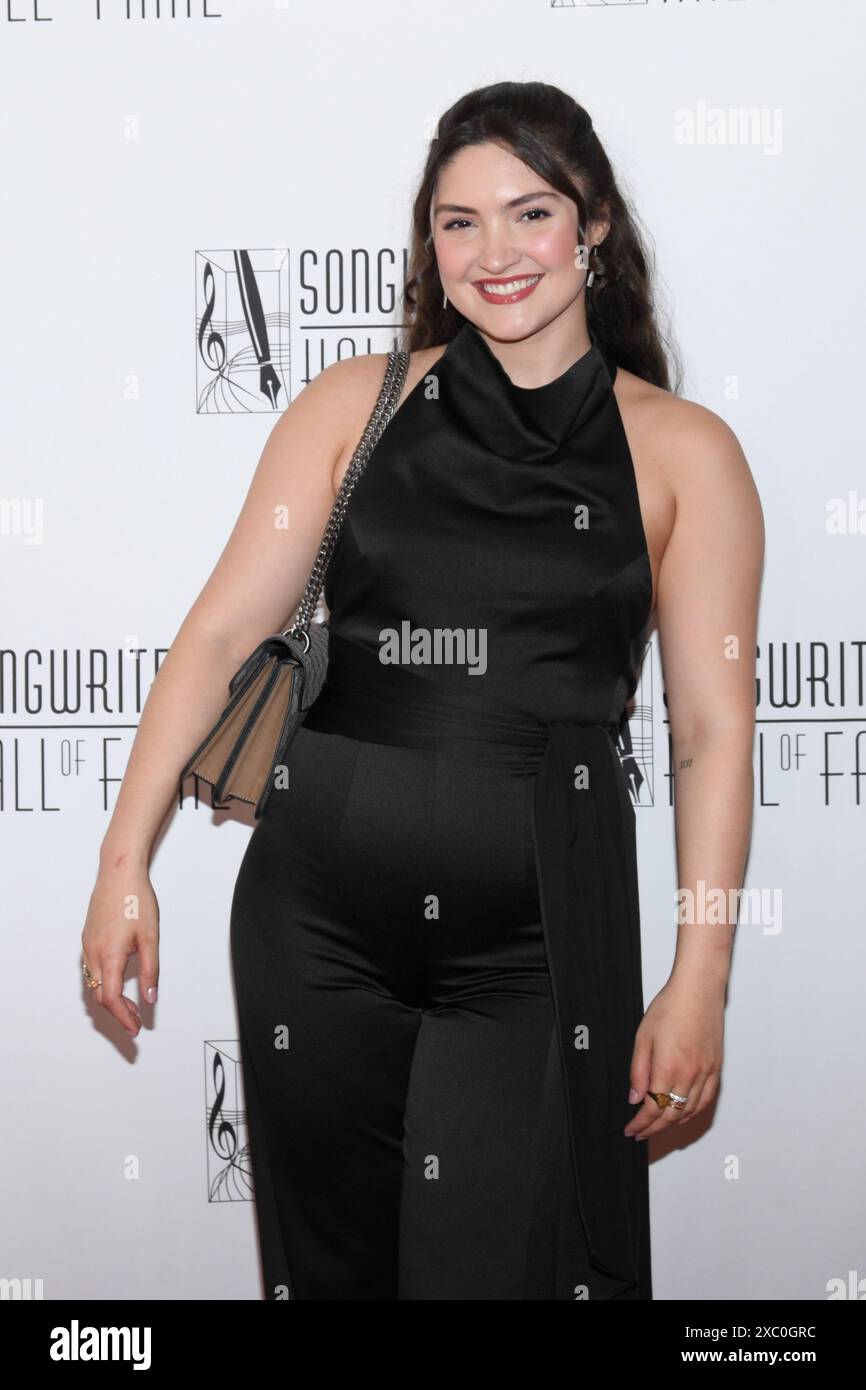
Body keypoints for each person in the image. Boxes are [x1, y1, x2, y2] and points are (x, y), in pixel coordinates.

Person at [82, 81, 764, 1301]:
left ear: (593, 226)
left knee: (496, 1274)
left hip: (537, 938)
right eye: (458, 223)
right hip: (315, 924)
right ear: (428, 242)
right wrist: (123, 854)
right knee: (328, 1272)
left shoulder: (682, 452)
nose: (494, 253)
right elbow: (218, 632)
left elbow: (711, 733)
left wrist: (698, 972)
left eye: (530, 212)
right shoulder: (357, 407)